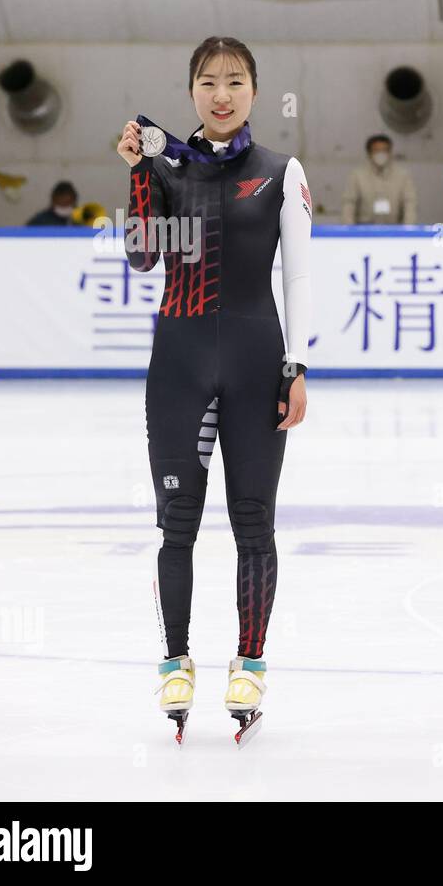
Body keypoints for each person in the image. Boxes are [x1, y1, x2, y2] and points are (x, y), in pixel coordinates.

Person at [117, 36, 312, 745]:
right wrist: (143, 169)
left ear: (255, 91)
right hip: (179, 362)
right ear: (192, 92)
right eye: (208, 82)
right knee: (177, 527)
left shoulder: (279, 172)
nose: (221, 94)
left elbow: (299, 277)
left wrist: (297, 366)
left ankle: (250, 662)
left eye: (234, 81)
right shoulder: (172, 172)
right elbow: (142, 255)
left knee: (254, 523)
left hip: (259, 365)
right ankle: (175, 660)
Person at [341, 134, 417, 224]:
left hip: (393, 229)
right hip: (364, 230)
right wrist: (350, 232)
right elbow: (348, 204)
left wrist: (408, 231)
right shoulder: (357, 176)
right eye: (376, 151)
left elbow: (410, 204)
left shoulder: (403, 176)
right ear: (369, 153)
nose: (381, 154)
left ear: (390, 152)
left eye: (385, 150)